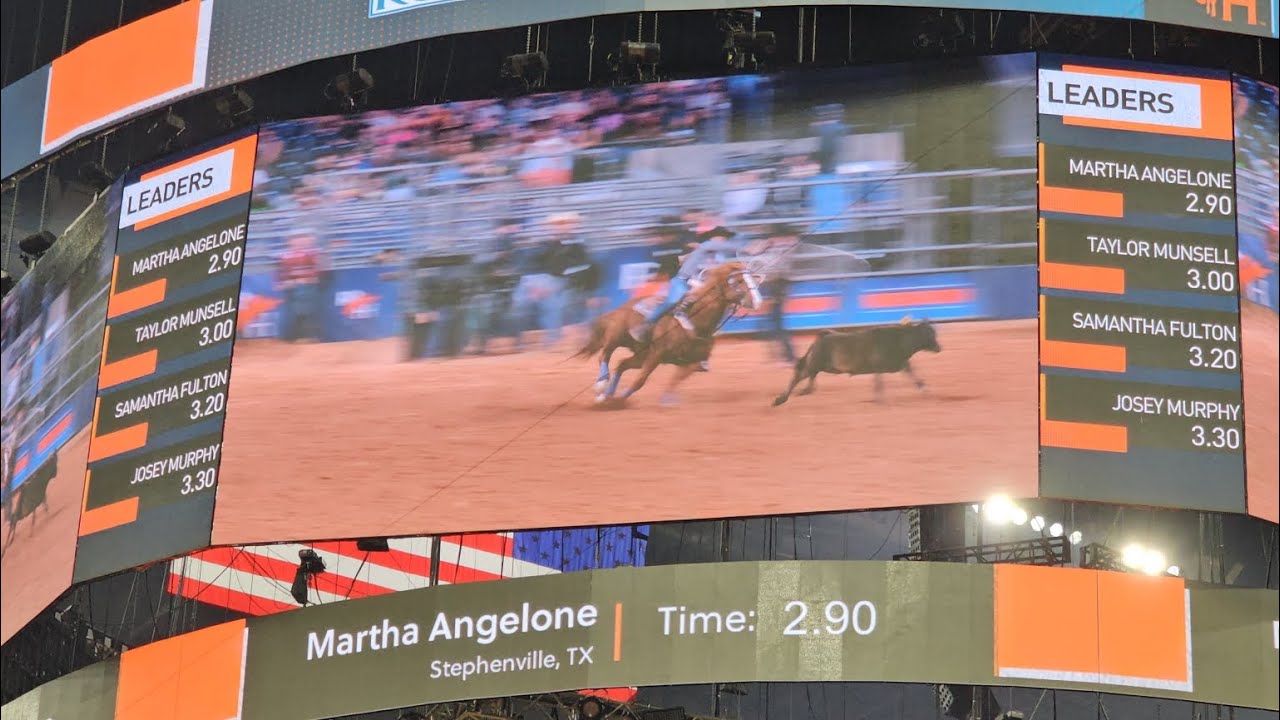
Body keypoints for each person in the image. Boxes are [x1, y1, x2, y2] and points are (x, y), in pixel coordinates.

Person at [633, 225, 741, 370]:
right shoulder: (700, 249)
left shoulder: (718, 257)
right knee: (672, 300)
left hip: (703, 287)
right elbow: (678, 266)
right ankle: (645, 325)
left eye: (725, 238)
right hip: (687, 282)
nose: (723, 240)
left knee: (717, 311)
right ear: (713, 238)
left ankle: (701, 355)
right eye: (721, 237)